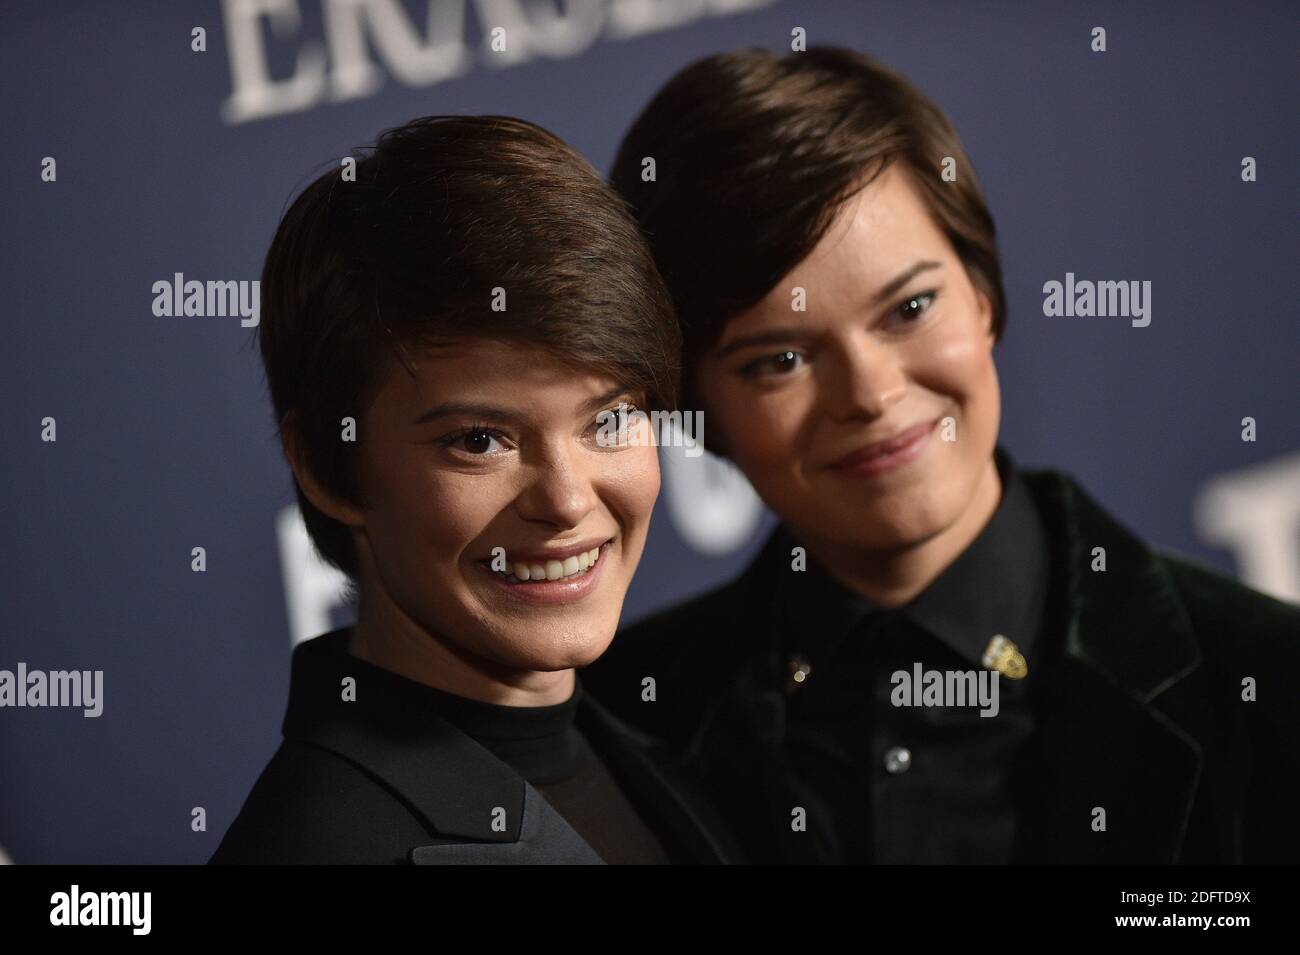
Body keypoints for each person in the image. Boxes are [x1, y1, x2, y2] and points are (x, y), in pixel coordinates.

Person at [580, 47, 1300, 864]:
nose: (871, 392)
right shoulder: (614, 728)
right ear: (697, 410)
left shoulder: (1267, 687)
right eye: (779, 359)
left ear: (984, 295)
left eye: (910, 307)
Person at [210, 115, 738, 865]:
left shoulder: (663, 756)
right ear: (329, 467)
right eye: (479, 440)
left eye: (610, 418)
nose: (565, 499)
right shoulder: (318, 846)